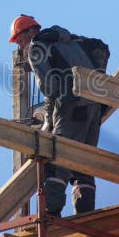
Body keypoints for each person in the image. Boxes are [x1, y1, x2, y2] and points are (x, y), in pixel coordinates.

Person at [8, 14, 102, 217]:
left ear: (30, 32)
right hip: (94, 107)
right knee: (83, 164)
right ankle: (85, 215)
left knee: (56, 159)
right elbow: (100, 48)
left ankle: (50, 213)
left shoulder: (37, 47)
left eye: (20, 40)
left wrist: (48, 124)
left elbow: (50, 88)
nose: (21, 47)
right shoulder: (70, 40)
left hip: (72, 107)